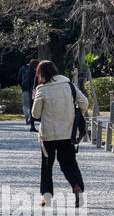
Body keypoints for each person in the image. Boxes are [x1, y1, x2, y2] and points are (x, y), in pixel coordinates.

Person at [30, 60, 88, 208]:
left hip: (48, 135)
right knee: (69, 164)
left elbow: (35, 114)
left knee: (47, 166)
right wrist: (74, 113)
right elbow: (84, 102)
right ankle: (77, 187)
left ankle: (47, 197)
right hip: (67, 133)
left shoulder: (42, 90)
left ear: (40, 74)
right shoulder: (69, 85)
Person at [18, 58, 38, 131]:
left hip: (25, 89)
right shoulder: (36, 71)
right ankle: (31, 118)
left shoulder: (22, 69)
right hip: (34, 90)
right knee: (32, 105)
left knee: (25, 105)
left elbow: (19, 79)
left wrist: (21, 85)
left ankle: (27, 117)